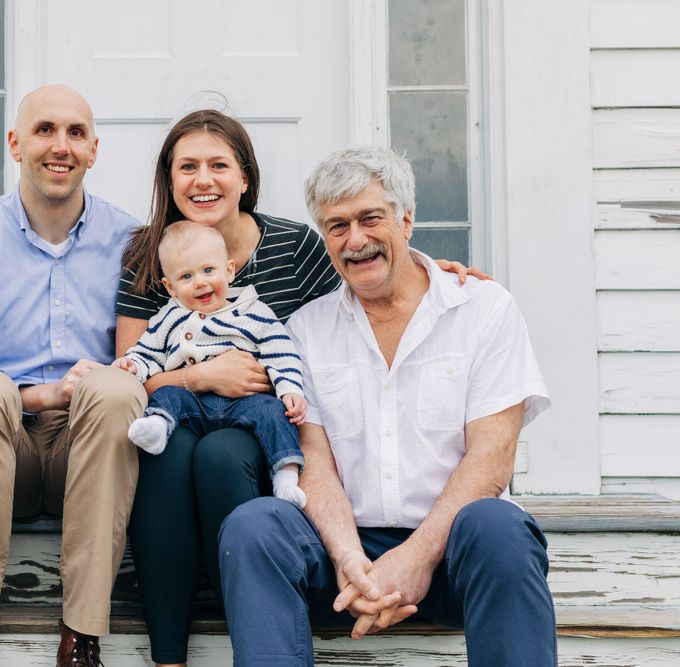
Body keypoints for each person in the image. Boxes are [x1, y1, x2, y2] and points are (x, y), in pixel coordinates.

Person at [116, 110, 481, 667]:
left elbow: (360, 295)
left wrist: (427, 273)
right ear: (169, 179)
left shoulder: (294, 246)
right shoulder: (151, 253)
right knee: (164, 451)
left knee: (220, 455)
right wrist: (200, 376)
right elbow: (132, 371)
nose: (203, 179)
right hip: (180, 401)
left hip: (265, 421)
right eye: (187, 167)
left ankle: (247, 608)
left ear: (245, 176)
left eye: (218, 165)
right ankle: (169, 653)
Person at [218, 146, 556, 666]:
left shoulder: (484, 310)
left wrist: (416, 558)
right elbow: (314, 461)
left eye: (370, 218)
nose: (355, 240)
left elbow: (492, 459)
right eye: (337, 226)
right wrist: (349, 558)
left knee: (499, 527)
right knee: (253, 525)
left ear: (406, 220)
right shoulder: (306, 330)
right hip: (343, 559)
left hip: (453, 551)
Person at [0, 84, 146, 667]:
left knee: (117, 387)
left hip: (90, 444)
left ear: (94, 149)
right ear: (15, 143)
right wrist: (45, 394)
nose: (60, 146)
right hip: (6, 447)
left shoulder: (131, 241)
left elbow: (145, 355)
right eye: (45, 130)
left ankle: (82, 637)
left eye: (76, 133)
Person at [114, 221, 308, 508]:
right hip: (193, 402)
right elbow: (148, 352)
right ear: (170, 287)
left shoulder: (254, 312)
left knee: (274, 412)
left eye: (208, 270)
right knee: (167, 395)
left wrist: (290, 389)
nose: (200, 282)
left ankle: (286, 474)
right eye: (186, 276)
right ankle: (157, 426)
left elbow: (281, 353)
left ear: (228, 270)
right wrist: (133, 365)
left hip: (244, 403)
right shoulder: (169, 317)